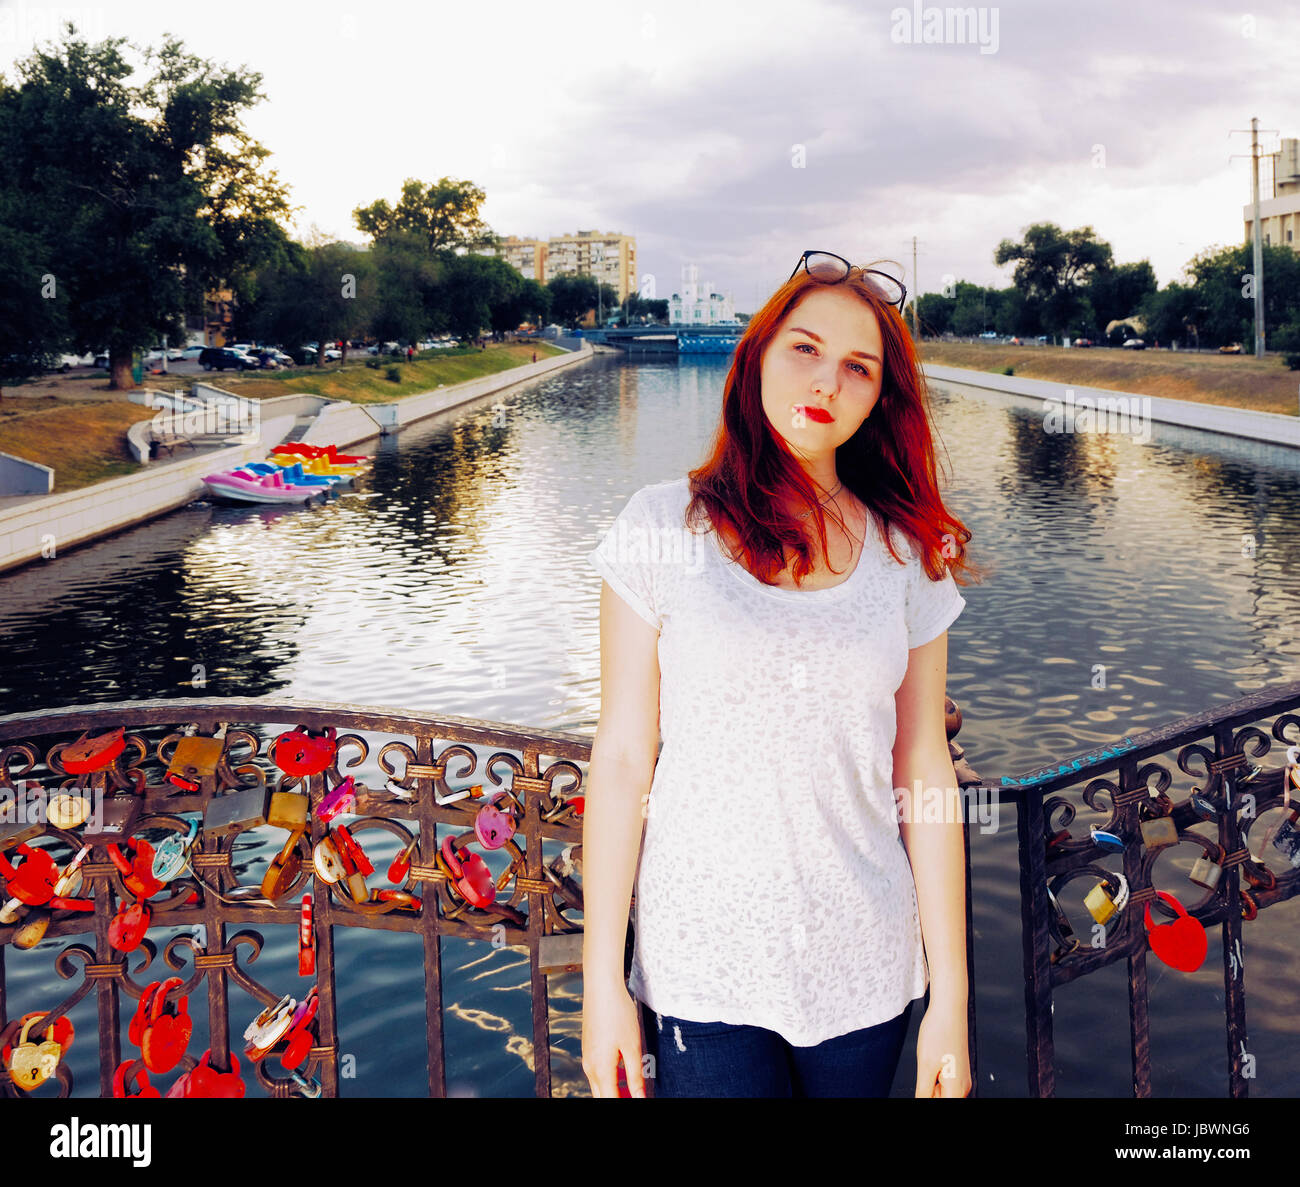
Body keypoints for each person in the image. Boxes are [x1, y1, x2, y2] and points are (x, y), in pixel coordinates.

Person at [581, 251, 981, 1099]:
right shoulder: (661, 525)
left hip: (864, 959)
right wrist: (600, 983)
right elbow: (621, 757)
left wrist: (952, 996)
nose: (826, 381)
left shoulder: (906, 552)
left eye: (858, 367)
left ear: (880, 396)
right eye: (804, 348)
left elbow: (925, 770)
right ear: (756, 352)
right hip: (701, 962)